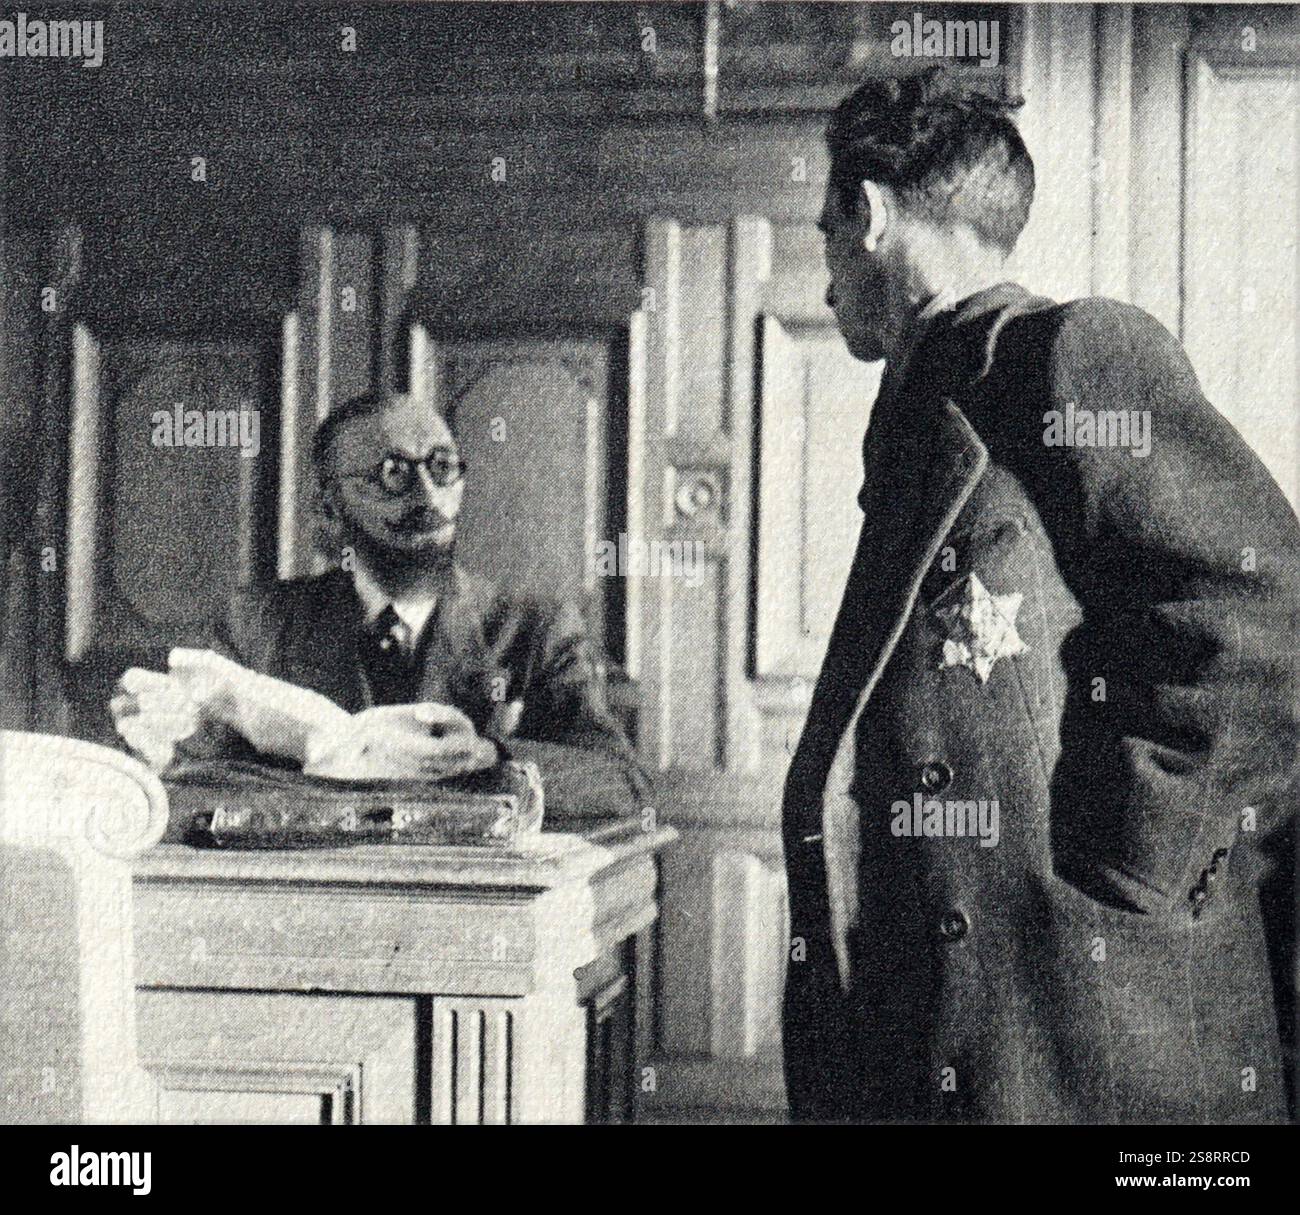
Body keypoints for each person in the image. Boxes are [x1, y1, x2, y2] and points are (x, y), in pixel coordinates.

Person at [782, 68, 1300, 1123]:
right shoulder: (935, 394)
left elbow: (1262, 616)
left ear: (869, 215)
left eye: (825, 232)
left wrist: (1130, 876)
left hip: (1083, 1018)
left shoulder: (1066, 354)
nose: (828, 278)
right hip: (957, 1018)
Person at [111, 390, 646, 818]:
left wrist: (489, 759)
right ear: (328, 506)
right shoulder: (258, 622)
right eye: (393, 474)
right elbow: (189, 780)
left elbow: (622, 782)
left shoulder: (533, 626)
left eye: (442, 468)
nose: (428, 498)